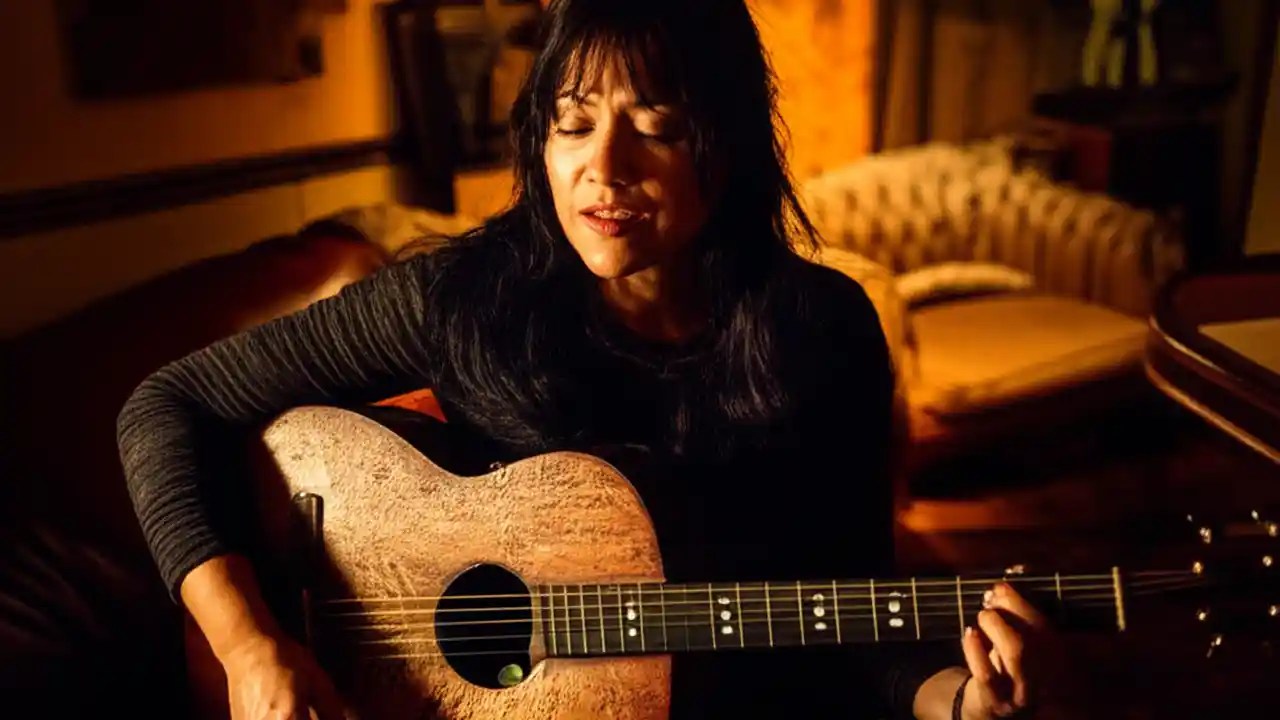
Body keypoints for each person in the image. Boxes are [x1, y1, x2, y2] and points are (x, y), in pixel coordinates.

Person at [116, 1, 1063, 718]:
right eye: (572, 121)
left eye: (653, 125)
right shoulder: (461, 297)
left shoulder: (824, 331)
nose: (602, 169)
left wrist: (960, 697)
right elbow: (166, 404)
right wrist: (250, 647)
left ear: (723, 145)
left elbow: (852, 615)